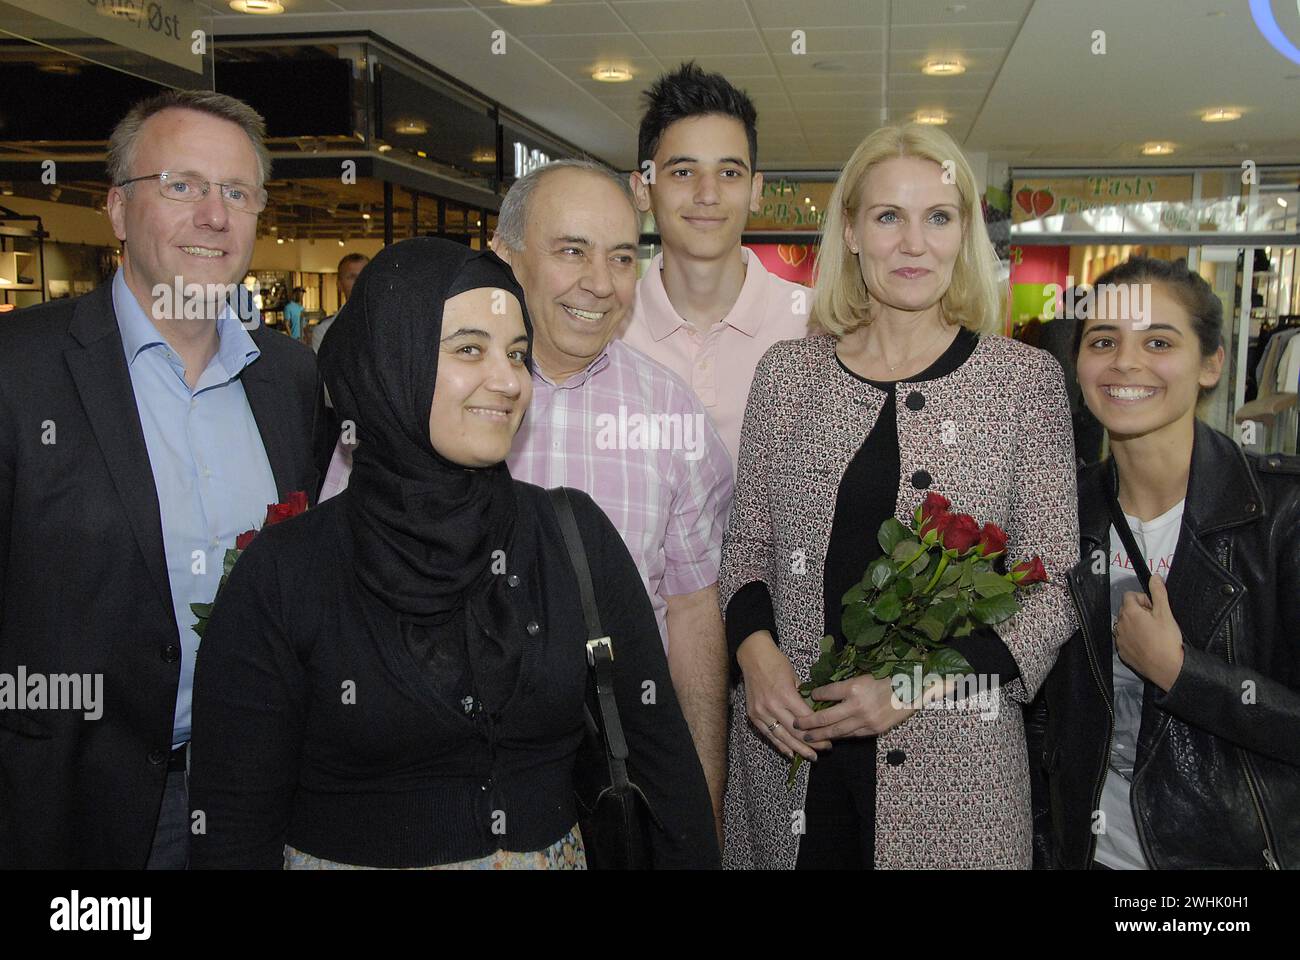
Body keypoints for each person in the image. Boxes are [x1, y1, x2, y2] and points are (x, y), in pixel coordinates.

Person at [188, 238, 718, 870]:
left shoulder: (571, 536)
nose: (509, 380)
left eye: (517, 354)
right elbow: (231, 827)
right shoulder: (286, 571)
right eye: (470, 349)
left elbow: (664, 767)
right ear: (390, 361)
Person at [719, 123, 1078, 869]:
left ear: (964, 234)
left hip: (957, 781)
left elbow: (1055, 589)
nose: (914, 244)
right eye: (888, 217)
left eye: (938, 218)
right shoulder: (787, 379)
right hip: (791, 765)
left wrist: (911, 686)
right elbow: (746, 547)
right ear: (850, 230)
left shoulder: (1024, 386)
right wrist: (755, 658)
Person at [0, 90, 325, 869]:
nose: (214, 216)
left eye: (238, 193)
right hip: (68, 804)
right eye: (182, 186)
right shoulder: (20, 369)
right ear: (116, 209)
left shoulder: (289, 377)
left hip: (260, 788)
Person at [1030, 257, 1300, 870]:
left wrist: (1183, 673)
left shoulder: (1280, 516)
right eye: (1104, 341)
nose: (1126, 362)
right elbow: (1042, 718)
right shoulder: (1060, 512)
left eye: (1158, 341)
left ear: (1212, 364)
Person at [491, 159, 734, 835]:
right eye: (571, 251)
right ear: (505, 256)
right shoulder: (427, 398)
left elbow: (693, 614)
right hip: (456, 792)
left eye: (622, 257)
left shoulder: (671, 414)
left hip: (622, 788)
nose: (599, 284)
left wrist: (698, 806)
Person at [620, 62, 811, 469]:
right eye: (683, 171)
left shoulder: (816, 325)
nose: (707, 194)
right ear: (642, 191)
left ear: (755, 191)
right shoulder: (607, 331)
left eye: (728, 172)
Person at [311, 252, 368, 354]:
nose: (359, 281)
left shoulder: (389, 324)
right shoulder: (325, 330)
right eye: (351, 277)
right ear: (339, 285)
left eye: (364, 275)